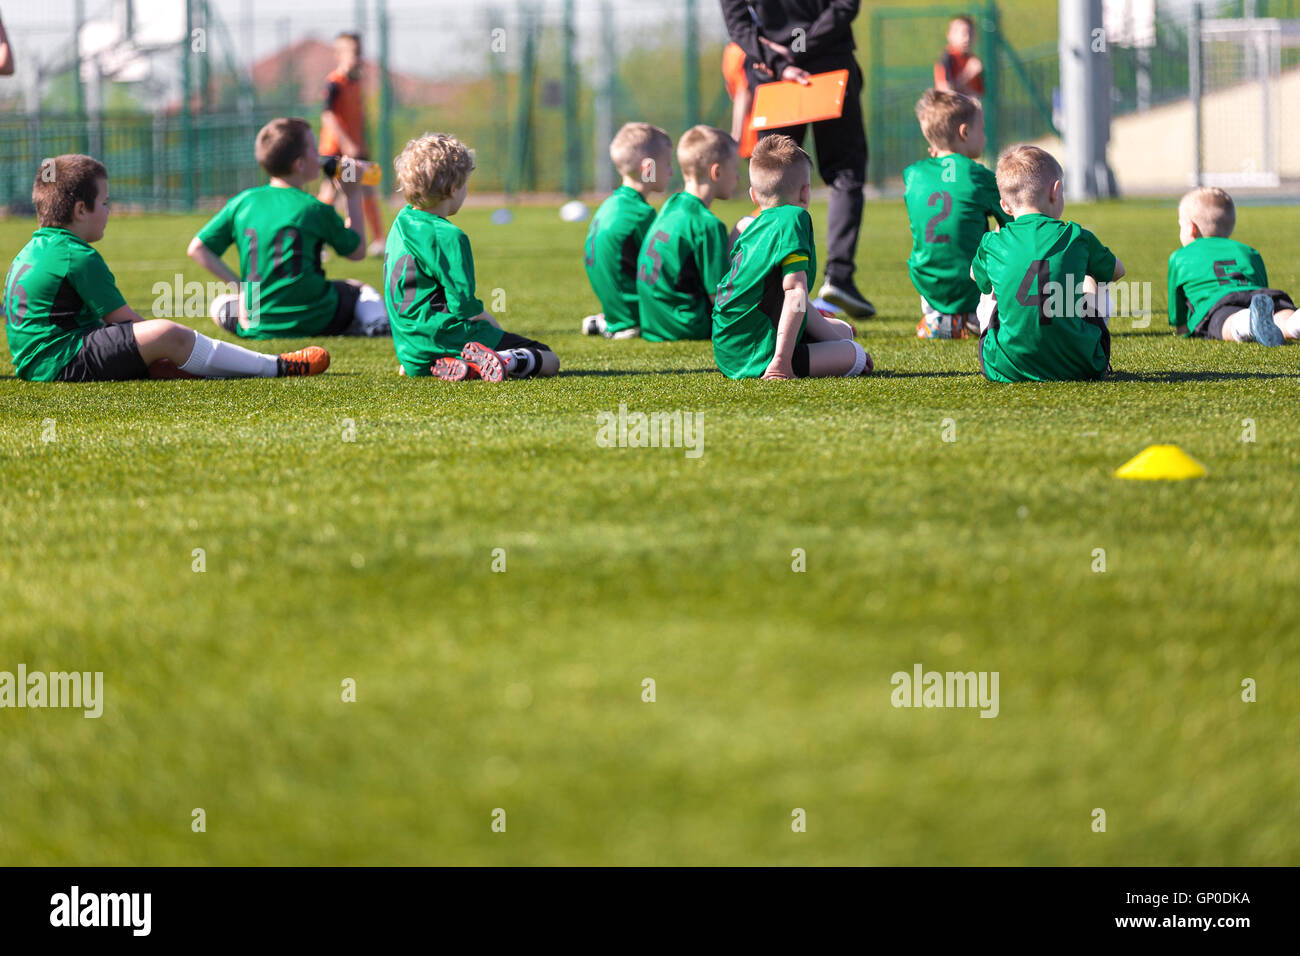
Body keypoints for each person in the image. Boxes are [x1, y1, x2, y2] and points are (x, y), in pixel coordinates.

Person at [4, 154, 328, 382]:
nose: (109, 209)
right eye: (104, 202)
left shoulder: (30, 251)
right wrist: (160, 351)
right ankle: (279, 366)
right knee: (165, 333)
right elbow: (125, 322)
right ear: (80, 209)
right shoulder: (75, 254)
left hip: (42, 363)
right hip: (59, 363)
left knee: (159, 342)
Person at [719, 0, 875, 320]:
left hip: (774, 73)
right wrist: (801, 48)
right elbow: (844, 7)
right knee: (845, 173)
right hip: (828, 65)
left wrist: (781, 59)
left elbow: (738, 26)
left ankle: (767, 282)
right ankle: (839, 276)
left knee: (772, 180)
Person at [187, 117, 388, 339]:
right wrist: (352, 195)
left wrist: (243, 289)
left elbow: (197, 248)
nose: (320, 155)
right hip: (317, 320)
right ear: (299, 164)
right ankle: (376, 325)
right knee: (359, 289)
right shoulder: (313, 208)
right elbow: (357, 252)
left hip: (259, 322)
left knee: (220, 303)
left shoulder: (243, 202)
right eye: (314, 150)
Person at [385, 133, 558, 382]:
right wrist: (494, 327)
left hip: (411, 351)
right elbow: (465, 309)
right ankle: (506, 360)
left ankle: (462, 367)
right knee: (548, 358)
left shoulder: (399, 224)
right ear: (454, 188)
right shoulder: (449, 236)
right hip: (448, 337)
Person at [712, 135, 871, 380]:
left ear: (754, 196)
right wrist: (781, 362)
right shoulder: (794, 218)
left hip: (728, 351)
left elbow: (797, 299)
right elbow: (796, 293)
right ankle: (782, 358)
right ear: (805, 193)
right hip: (758, 354)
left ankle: (806, 345)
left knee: (844, 332)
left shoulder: (750, 226)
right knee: (855, 354)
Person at [971, 145, 1125, 382]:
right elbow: (1118, 272)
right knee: (1097, 277)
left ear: (1005, 206)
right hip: (1082, 366)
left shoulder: (992, 242)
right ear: (1056, 191)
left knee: (988, 285)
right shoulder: (1077, 235)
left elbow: (974, 275)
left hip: (1003, 367)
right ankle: (1081, 342)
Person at [904, 89, 1007, 339]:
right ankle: (976, 317)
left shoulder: (912, 174)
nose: (984, 135)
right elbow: (1014, 221)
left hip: (927, 283)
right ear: (964, 132)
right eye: (981, 130)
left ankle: (941, 319)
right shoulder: (979, 175)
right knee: (1004, 237)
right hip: (972, 285)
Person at [637, 126, 739, 342]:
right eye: (735, 168)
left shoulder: (670, 205)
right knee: (745, 226)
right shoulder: (707, 224)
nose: (738, 176)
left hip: (654, 324)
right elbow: (720, 299)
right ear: (717, 172)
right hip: (687, 325)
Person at [1167, 186, 1298, 346]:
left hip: (1218, 302)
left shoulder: (1180, 256)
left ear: (1192, 228)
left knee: (1226, 321)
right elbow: (1261, 284)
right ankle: (1294, 323)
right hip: (1258, 294)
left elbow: (1177, 299)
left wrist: (1181, 326)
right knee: (1282, 315)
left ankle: (1248, 323)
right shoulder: (1247, 250)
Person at [581, 122, 673, 339]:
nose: (670, 171)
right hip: (632, 316)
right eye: (667, 164)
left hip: (615, 310)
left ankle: (609, 320)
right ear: (648, 169)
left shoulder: (610, 205)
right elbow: (663, 268)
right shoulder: (641, 213)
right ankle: (624, 323)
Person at [317, 32, 386, 257]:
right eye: (353, 52)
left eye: (359, 52)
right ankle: (317, 242)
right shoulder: (334, 83)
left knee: (367, 189)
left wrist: (360, 144)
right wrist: (346, 143)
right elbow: (327, 116)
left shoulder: (356, 82)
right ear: (339, 55)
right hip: (335, 149)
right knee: (330, 193)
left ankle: (379, 241)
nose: (357, 57)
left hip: (356, 148)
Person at [721, 42, 759, 159]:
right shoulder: (739, 51)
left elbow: (743, 92)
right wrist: (737, 135)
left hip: (757, 133)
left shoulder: (734, 50)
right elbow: (742, 92)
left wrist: (736, 134)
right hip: (755, 134)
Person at [934, 15, 984, 98]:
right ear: (950, 35)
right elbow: (945, 92)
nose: (967, 38)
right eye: (962, 33)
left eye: (970, 33)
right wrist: (968, 74)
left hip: (968, 109)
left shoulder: (973, 60)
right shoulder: (947, 58)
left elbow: (977, 94)